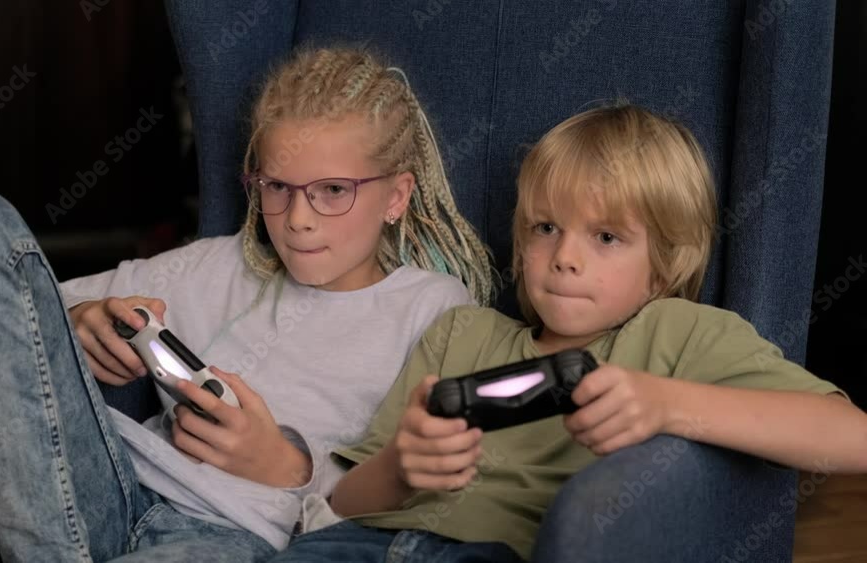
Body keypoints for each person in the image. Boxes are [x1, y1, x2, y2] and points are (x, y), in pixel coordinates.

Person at [0, 46, 496, 562]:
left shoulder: (433, 307)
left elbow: (427, 475)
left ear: (396, 196)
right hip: (103, 482)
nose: (299, 220)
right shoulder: (217, 264)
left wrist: (290, 467)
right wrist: (80, 321)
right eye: (276, 188)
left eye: (333, 191)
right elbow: (6, 311)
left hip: (235, 535)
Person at [270, 102, 867, 563]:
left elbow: (852, 438)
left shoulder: (674, 330)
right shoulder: (460, 331)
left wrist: (670, 404)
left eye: (606, 237)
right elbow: (340, 506)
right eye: (546, 227)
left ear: (665, 263)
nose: (565, 258)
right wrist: (401, 466)